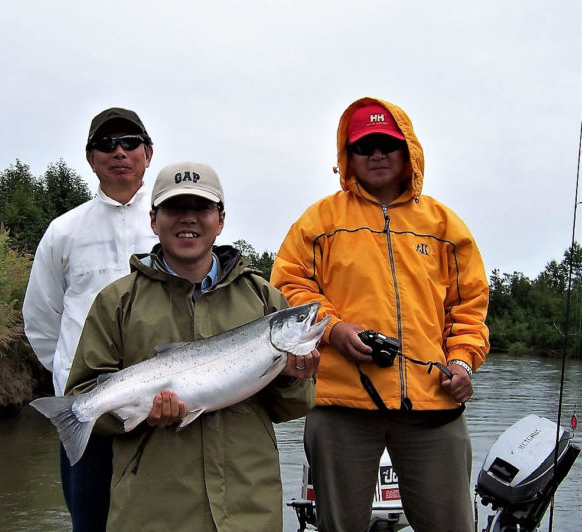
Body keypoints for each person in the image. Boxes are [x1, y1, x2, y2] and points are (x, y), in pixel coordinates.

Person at [271, 97, 490, 532]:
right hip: (340, 406)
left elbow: (469, 308)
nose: (376, 154)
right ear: (348, 155)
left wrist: (463, 363)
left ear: (407, 151)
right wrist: (333, 330)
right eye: (363, 146)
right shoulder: (319, 221)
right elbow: (288, 286)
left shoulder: (446, 227)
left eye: (387, 144)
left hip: (434, 405)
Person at [65, 161, 320, 531]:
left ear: (220, 220)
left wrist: (294, 377)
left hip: (249, 508)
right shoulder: (116, 301)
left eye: (201, 208)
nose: (189, 218)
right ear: (154, 220)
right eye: (174, 208)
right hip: (151, 513)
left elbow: (291, 408)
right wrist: (137, 411)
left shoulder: (265, 298)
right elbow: (83, 393)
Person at [22, 107, 158, 531]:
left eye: (130, 142)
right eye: (106, 144)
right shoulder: (63, 231)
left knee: (163, 517)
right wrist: (72, 375)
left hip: (161, 404)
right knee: (90, 520)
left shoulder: (172, 223)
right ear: (90, 158)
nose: (119, 152)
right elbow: (42, 318)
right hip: (88, 412)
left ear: (148, 153)